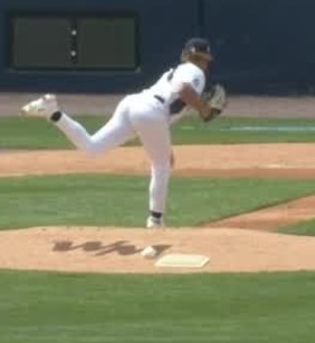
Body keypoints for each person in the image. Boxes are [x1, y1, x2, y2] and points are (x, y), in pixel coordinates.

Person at [20, 39, 220, 229]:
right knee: (162, 165)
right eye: (206, 59)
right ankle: (155, 221)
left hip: (134, 104)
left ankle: (53, 112)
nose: (206, 64)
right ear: (200, 57)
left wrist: (166, 143)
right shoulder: (194, 71)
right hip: (151, 111)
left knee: (93, 147)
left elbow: (172, 102)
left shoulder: (178, 69)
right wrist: (204, 109)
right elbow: (184, 89)